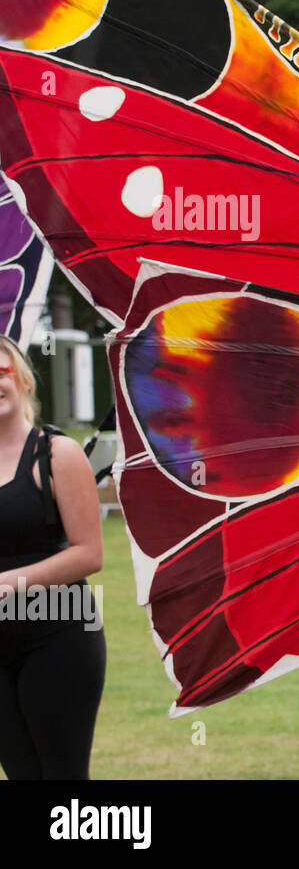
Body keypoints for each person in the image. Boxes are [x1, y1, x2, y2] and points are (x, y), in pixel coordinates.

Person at [0, 334, 106, 779]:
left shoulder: (55, 454)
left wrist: (8, 584)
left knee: (62, 776)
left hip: (57, 635)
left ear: (23, 379)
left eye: (0, 371)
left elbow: (89, 554)